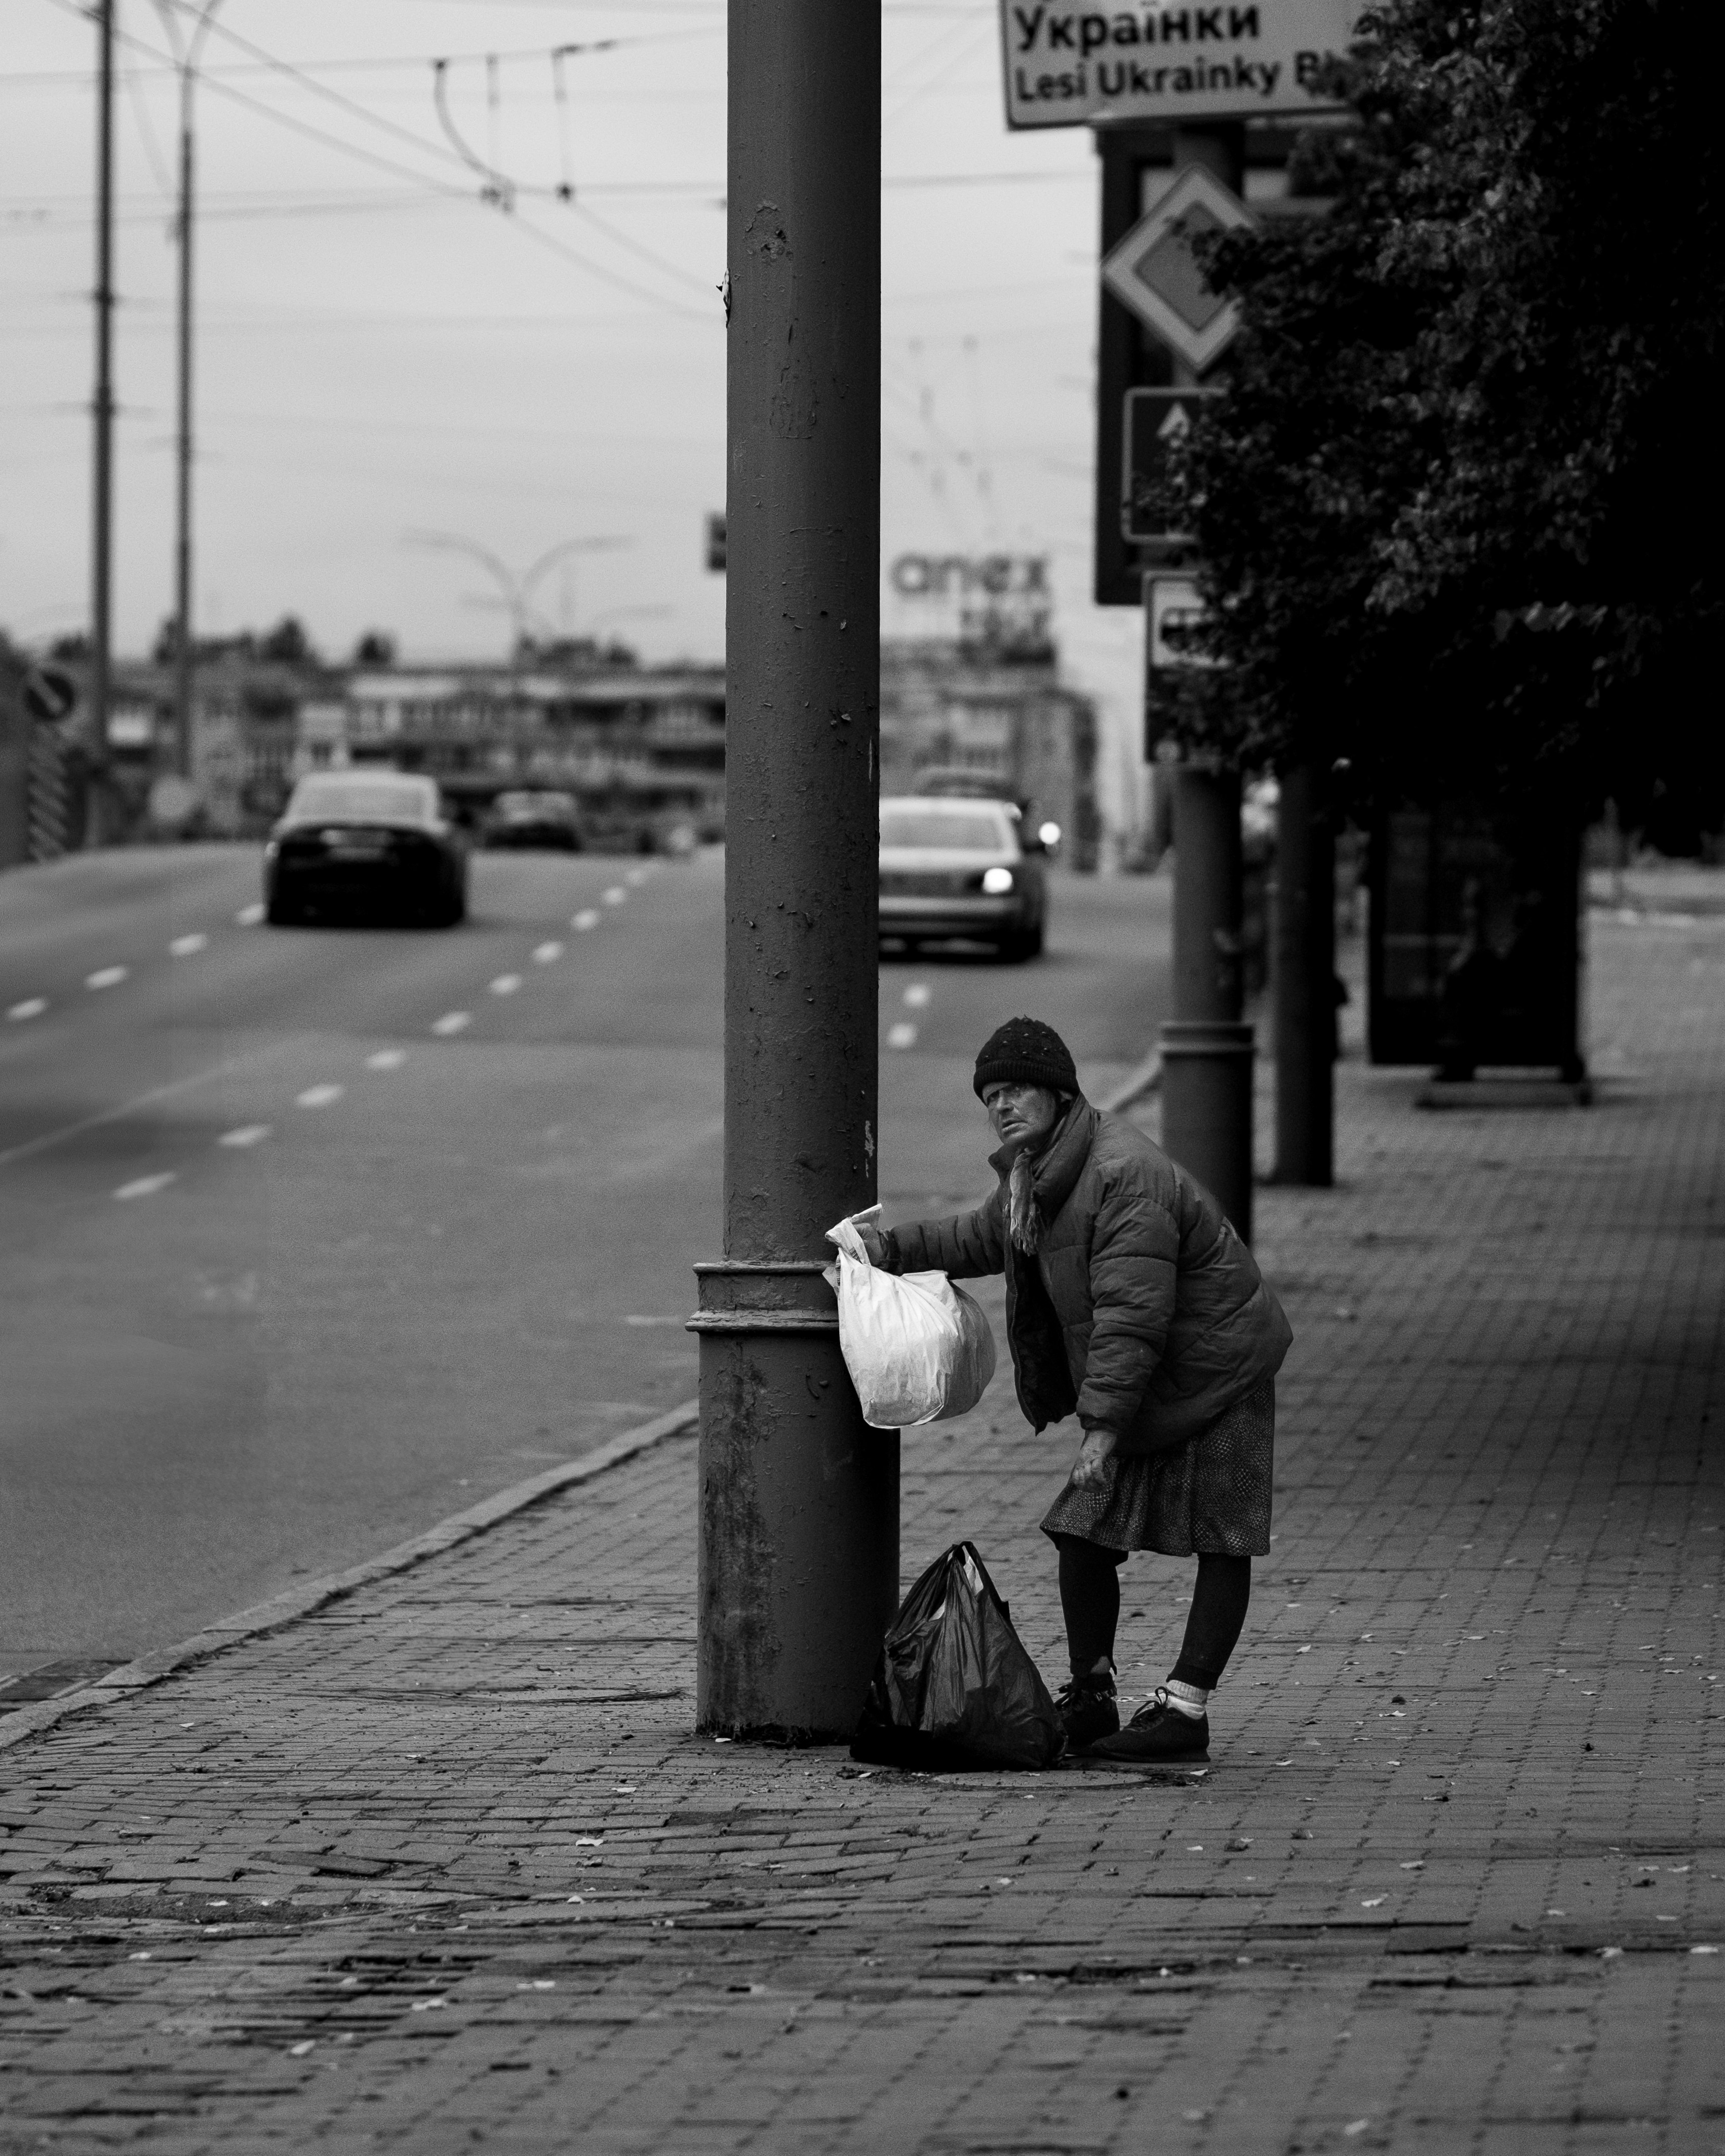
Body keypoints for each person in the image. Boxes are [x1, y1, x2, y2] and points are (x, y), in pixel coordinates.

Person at [856, 1016, 1292, 1762]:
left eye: (1017, 1088)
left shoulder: (1122, 1176)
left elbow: (1132, 1315)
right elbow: (977, 1237)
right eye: (989, 1094)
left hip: (1218, 1371)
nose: (1000, 1104)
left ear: (1061, 1094)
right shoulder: (1038, 1173)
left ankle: (1184, 1710)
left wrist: (1102, 1428)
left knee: (1223, 1536)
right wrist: (886, 1249)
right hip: (1154, 1383)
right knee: (1080, 1528)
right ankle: (1092, 1698)